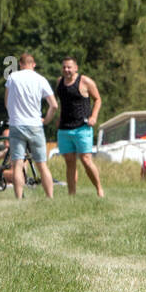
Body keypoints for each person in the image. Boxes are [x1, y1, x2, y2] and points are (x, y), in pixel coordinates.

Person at [5, 53, 59, 199]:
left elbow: (6, 101)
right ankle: (50, 198)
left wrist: (13, 114)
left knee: (17, 164)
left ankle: (19, 198)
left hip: (17, 124)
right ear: (33, 64)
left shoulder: (12, 77)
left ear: (20, 65)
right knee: (42, 165)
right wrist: (46, 120)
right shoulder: (41, 79)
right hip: (35, 124)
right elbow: (54, 105)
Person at [54, 57, 104, 198]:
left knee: (86, 159)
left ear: (76, 68)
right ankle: (72, 195)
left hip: (82, 127)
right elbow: (62, 104)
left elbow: (98, 99)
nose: (66, 70)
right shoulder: (59, 83)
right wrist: (58, 118)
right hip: (64, 129)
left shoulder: (85, 81)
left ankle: (99, 189)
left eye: (69, 67)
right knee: (70, 162)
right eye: (64, 67)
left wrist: (94, 117)